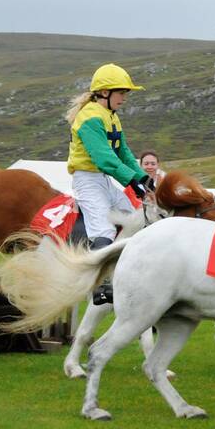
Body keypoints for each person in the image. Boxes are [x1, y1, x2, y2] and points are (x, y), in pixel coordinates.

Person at [66, 63, 155, 305]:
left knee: (134, 217)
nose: (124, 98)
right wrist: (133, 180)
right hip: (87, 180)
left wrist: (144, 179)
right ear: (105, 92)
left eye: (126, 93)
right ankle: (98, 287)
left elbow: (124, 153)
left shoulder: (112, 116)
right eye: (121, 92)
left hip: (103, 179)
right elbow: (105, 158)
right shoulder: (90, 116)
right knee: (103, 230)